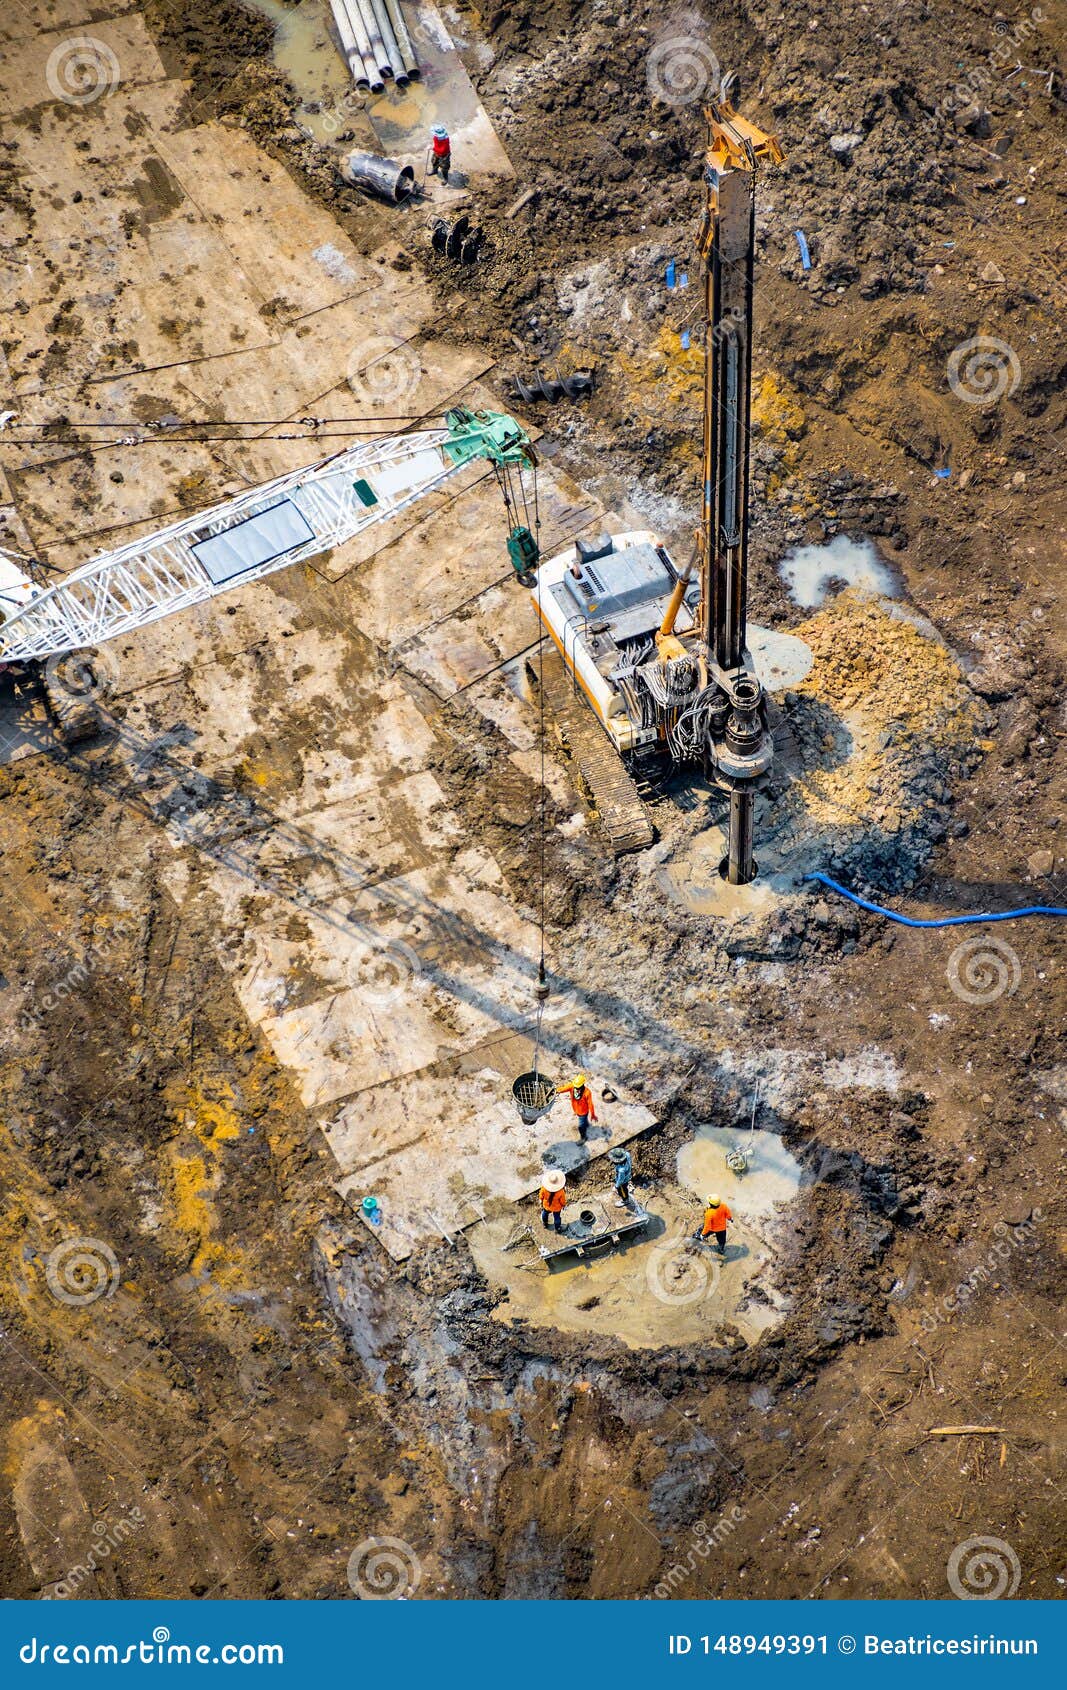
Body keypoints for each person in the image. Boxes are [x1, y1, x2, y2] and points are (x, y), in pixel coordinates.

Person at [556, 1073, 597, 1140]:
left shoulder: (587, 1092)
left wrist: (593, 1114)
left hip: (583, 1112)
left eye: (578, 1087)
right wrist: (556, 1090)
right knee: (584, 1121)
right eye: (575, 1087)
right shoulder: (572, 1086)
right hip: (576, 1110)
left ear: (582, 1085)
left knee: (581, 1127)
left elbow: (590, 1104)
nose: (576, 1088)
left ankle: (583, 1137)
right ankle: (586, 1125)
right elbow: (563, 1089)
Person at [539, 1168, 566, 1233]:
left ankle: (545, 1224)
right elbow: (562, 1201)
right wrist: (563, 1205)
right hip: (556, 1208)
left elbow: (541, 1195)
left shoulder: (544, 1188)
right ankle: (557, 1228)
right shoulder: (561, 1191)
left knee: (545, 1213)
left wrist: (541, 1201)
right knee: (557, 1217)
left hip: (546, 1205)